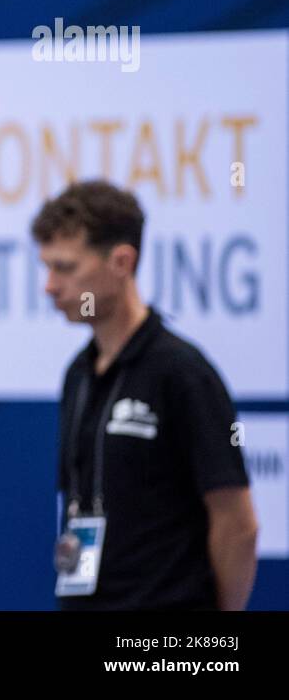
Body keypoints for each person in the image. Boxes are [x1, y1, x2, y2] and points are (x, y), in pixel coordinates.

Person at [33, 180, 258, 610]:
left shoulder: (182, 373)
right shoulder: (78, 374)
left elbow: (238, 522)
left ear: (122, 261)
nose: (50, 286)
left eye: (65, 268)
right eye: (47, 267)